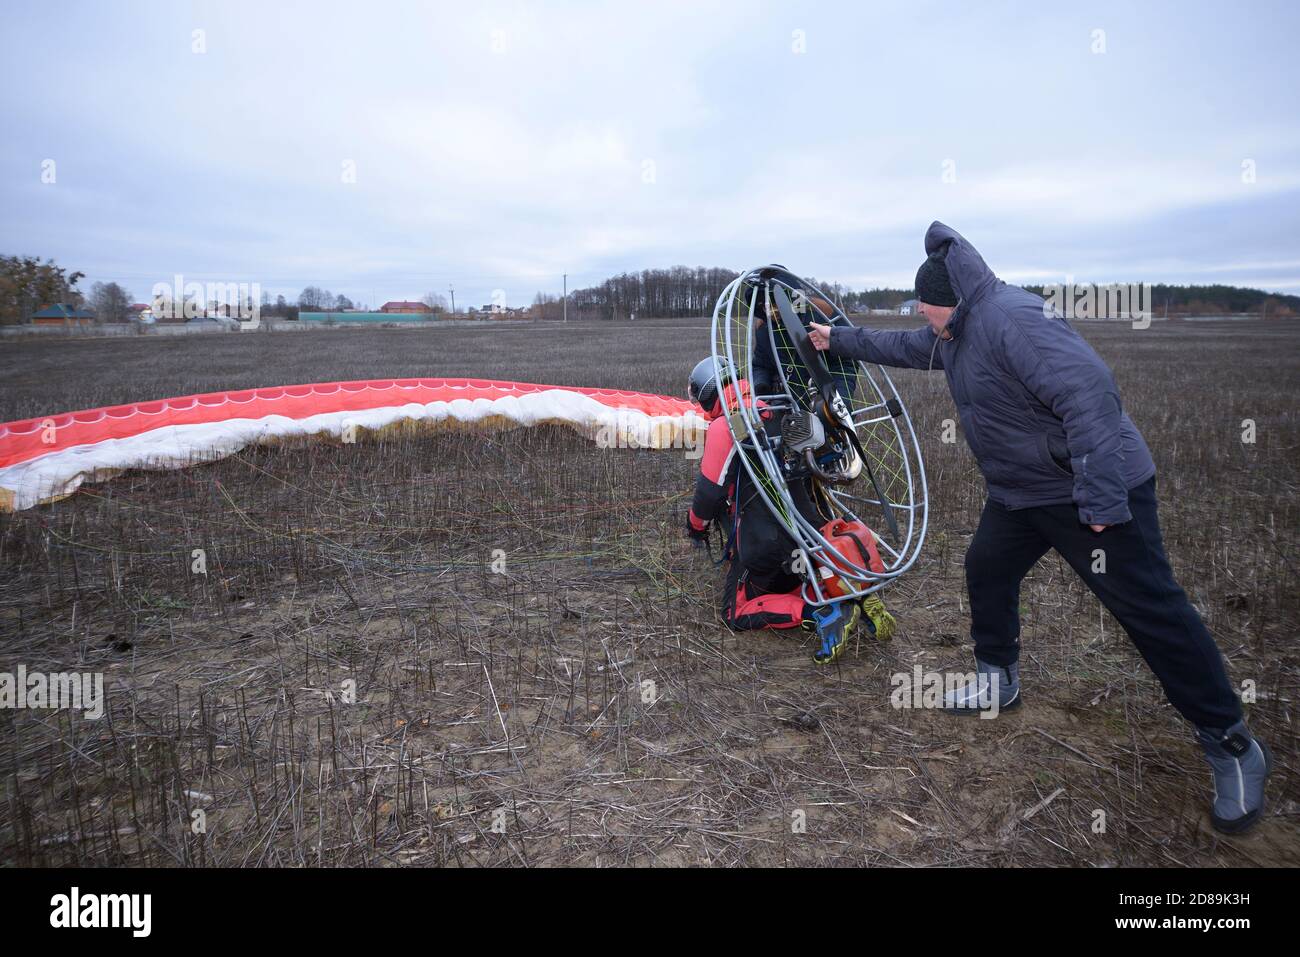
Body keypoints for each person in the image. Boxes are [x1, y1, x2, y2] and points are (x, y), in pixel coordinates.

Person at [808, 222, 1271, 834]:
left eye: (927, 308)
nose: (922, 317)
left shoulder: (1014, 320)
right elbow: (901, 346)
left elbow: (1090, 394)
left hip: (1091, 490)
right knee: (987, 568)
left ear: (953, 300)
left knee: (1151, 611)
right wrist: (835, 338)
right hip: (1022, 494)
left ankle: (1231, 744)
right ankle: (997, 680)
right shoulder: (956, 330)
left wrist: (1100, 496)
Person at [684, 357, 894, 664]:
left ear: (707, 394)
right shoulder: (782, 407)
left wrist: (695, 527)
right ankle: (853, 594)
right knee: (796, 575)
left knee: (735, 611)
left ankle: (822, 611)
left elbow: (708, 495)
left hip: (765, 545)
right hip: (810, 535)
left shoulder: (726, 425)